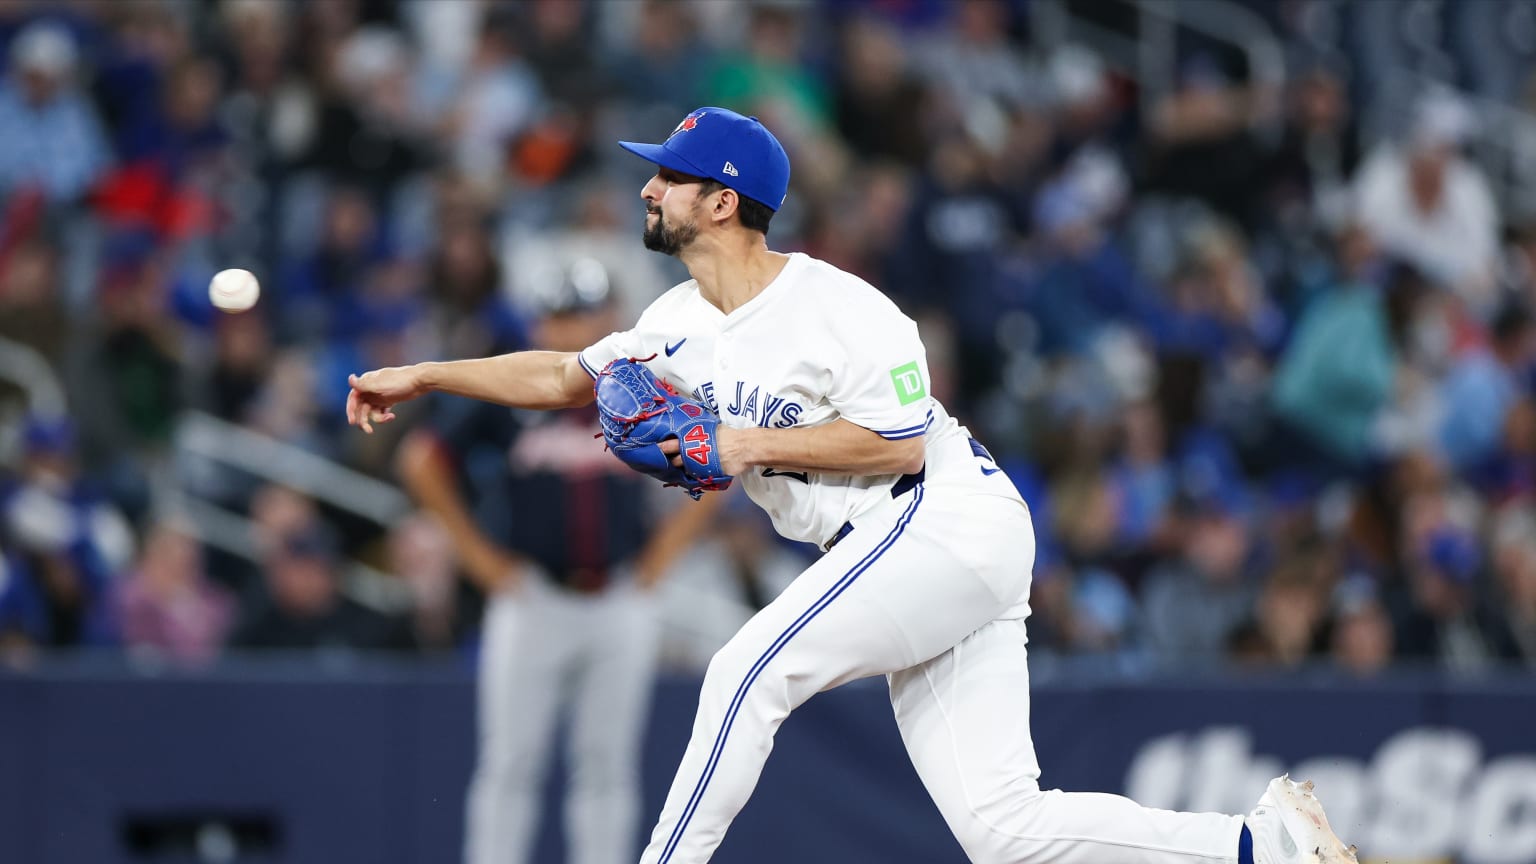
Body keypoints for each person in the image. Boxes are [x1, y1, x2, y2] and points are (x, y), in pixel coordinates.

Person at [347, 107, 1356, 864]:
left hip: (939, 515)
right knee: (1004, 829)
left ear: (723, 200)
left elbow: (903, 444)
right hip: (904, 551)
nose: (648, 189)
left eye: (669, 176)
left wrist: (738, 444)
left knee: (744, 674)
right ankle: (1260, 846)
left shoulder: (842, 307)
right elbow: (566, 376)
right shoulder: (677, 326)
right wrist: (429, 375)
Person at [394, 265, 719, 864]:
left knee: (607, 766)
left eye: (578, 313)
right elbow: (421, 459)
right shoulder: (518, 389)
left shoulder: (642, 384)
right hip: (533, 596)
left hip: (620, 596)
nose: (565, 326)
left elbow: (721, 453)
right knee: (511, 763)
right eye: (555, 314)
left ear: (606, 317)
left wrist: (664, 556)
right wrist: (479, 560)